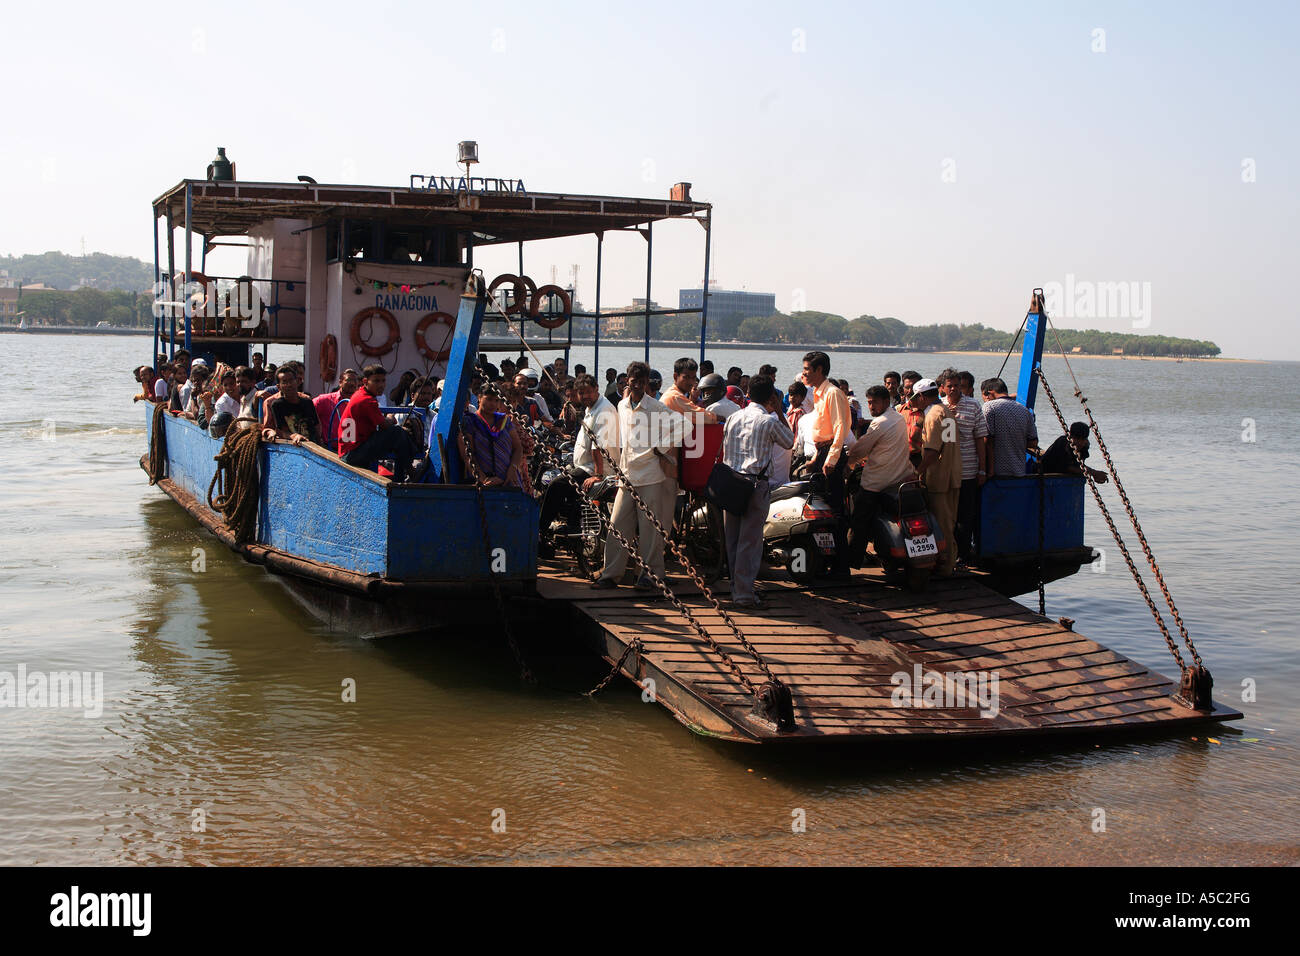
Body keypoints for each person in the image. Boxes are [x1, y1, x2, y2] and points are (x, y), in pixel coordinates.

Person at [591, 361, 683, 591]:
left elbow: (683, 426)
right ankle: (611, 574)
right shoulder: (622, 405)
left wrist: (660, 449)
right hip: (627, 475)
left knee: (650, 531)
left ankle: (649, 576)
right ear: (628, 382)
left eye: (642, 382)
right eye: (634, 382)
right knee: (617, 526)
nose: (638, 386)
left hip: (651, 476)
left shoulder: (656, 406)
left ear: (647, 383)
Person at [720, 377, 792, 607]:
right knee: (749, 541)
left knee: (732, 538)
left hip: (731, 482)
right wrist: (779, 411)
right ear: (771, 397)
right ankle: (743, 594)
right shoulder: (768, 421)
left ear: (748, 393)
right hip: (755, 484)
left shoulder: (733, 417)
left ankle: (735, 587)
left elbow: (724, 447)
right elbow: (789, 441)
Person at [845, 385, 915, 568]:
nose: (871, 407)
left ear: (886, 401)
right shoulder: (898, 418)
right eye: (869, 403)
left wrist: (848, 462)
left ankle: (851, 561)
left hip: (876, 483)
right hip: (899, 479)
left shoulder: (880, 422)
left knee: (858, 521)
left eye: (874, 402)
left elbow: (860, 449)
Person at [939, 367, 989, 563]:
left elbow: (980, 439)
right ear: (942, 388)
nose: (954, 390)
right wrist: (947, 416)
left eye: (957, 386)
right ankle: (945, 554)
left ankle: (962, 556)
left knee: (964, 517)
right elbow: (938, 440)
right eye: (949, 386)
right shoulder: (938, 407)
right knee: (944, 515)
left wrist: (982, 469)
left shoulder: (973, 405)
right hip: (945, 471)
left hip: (968, 471)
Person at [914, 379, 962, 577]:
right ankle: (949, 560)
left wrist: (917, 472)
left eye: (915, 399)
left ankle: (946, 565)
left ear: (922, 397)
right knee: (949, 521)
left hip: (939, 477)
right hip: (953, 474)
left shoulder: (933, 415)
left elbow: (932, 451)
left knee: (942, 523)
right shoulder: (947, 410)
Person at [339, 365, 417, 480]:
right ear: (365, 381)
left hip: (349, 450)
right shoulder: (367, 400)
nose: (381, 385)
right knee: (397, 432)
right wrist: (391, 417)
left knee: (398, 436)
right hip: (352, 454)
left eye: (383, 381)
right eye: (376, 381)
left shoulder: (359, 394)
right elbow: (384, 425)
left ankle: (405, 472)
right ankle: (410, 470)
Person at [802, 350, 850, 507]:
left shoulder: (832, 393)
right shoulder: (818, 392)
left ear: (819, 369)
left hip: (830, 454)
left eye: (807, 369)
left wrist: (832, 459)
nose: (804, 373)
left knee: (834, 503)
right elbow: (824, 430)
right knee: (821, 501)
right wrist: (817, 457)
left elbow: (840, 427)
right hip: (822, 452)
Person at [458, 382, 526, 490]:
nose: (493, 404)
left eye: (496, 400)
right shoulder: (470, 421)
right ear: (479, 398)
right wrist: (483, 479)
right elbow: (468, 455)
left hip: (509, 479)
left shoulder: (504, 421)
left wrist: (512, 469)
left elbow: (518, 448)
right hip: (483, 483)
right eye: (489, 399)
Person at [981, 377, 1037, 477]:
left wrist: (989, 470)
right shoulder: (1024, 410)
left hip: (997, 472)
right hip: (1019, 471)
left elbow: (988, 440)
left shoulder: (989, 407)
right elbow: (1033, 442)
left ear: (990, 393)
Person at [262, 368, 323, 446]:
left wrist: (319, 443)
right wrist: (294, 436)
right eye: (284, 382)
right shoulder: (276, 404)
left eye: (291, 381)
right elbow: (281, 431)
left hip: (311, 444)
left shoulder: (307, 401)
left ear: (297, 382)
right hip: (291, 446)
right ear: (279, 387)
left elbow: (316, 426)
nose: (289, 385)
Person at [1040, 421, 1109, 483]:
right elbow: (1067, 467)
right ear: (1070, 436)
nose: (1080, 443)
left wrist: (1094, 474)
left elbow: (1079, 466)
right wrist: (1094, 473)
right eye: (1077, 439)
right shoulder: (1062, 443)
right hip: (1045, 473)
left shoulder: (1085, 445)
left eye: (1083, 439)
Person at [313, 368, 360, 449]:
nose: (352, 383)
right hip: (329, 449)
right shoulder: (324, 400)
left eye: (355, 381)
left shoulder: (360, 403)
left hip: (352, 450)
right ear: (340, 382)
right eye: (348, 380)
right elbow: (309, 412)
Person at [661, 357, 718, 423]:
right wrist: (721, 418)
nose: (691, 382)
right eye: (686, 377)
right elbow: (701, 417)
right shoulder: (675, 397)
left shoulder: (672, 393)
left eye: (693, 378)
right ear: (675, 376)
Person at [208, 370, 242, 438]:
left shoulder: (245, 395)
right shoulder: (221, 404)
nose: (229, 387)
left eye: (232, 383)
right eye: (225, 385)